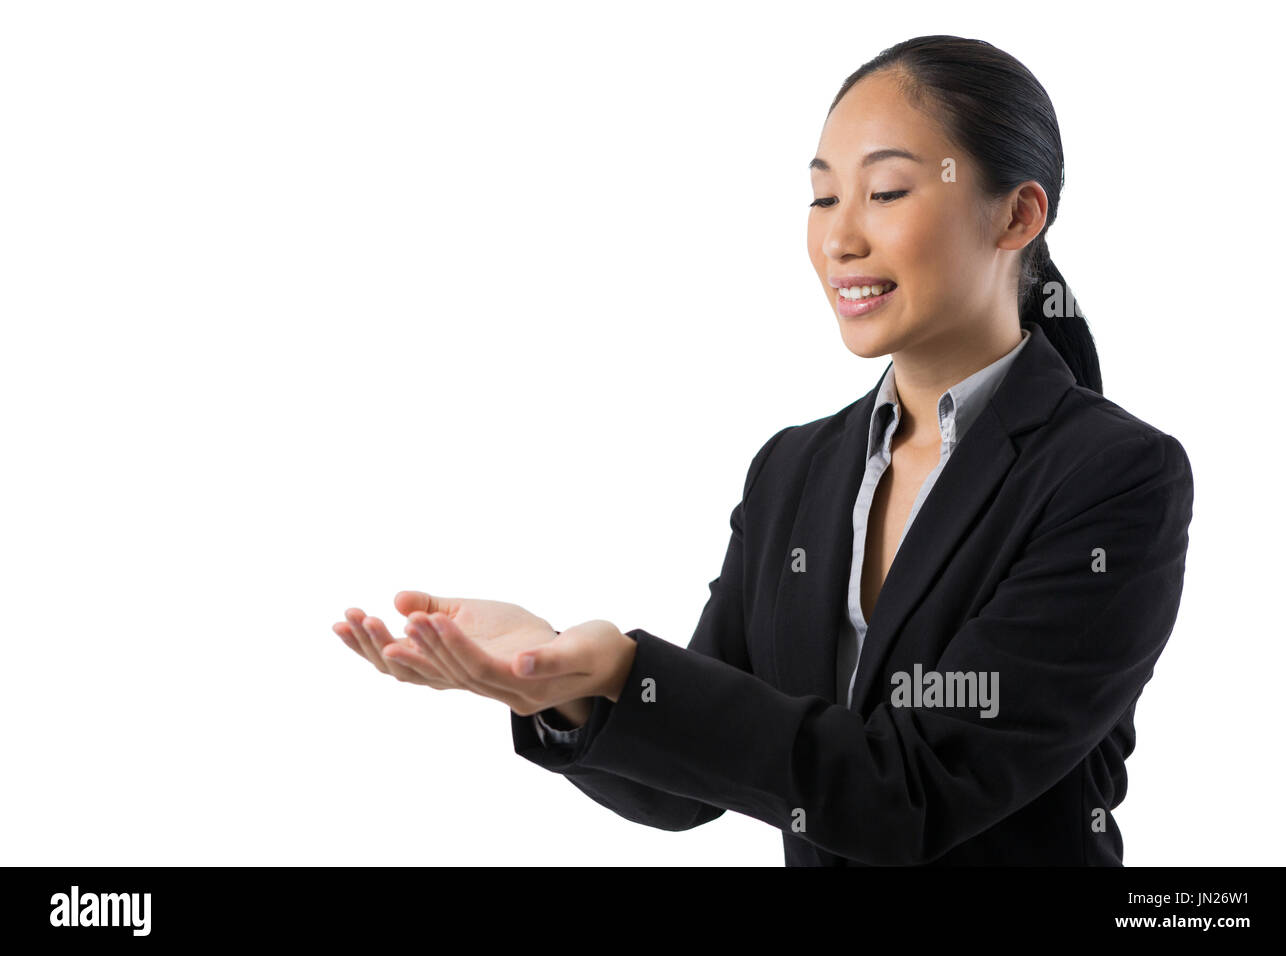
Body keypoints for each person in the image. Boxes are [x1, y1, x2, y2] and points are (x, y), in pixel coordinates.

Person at [332, 35, 1194, 866]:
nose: (839, 239)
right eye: (823, 198)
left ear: (1017, 213)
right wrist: (562, 681)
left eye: (887, 193)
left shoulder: (1115, 480)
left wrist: (629, 671)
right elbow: (689, 786)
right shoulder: (795, 470)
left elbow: (914, 789)